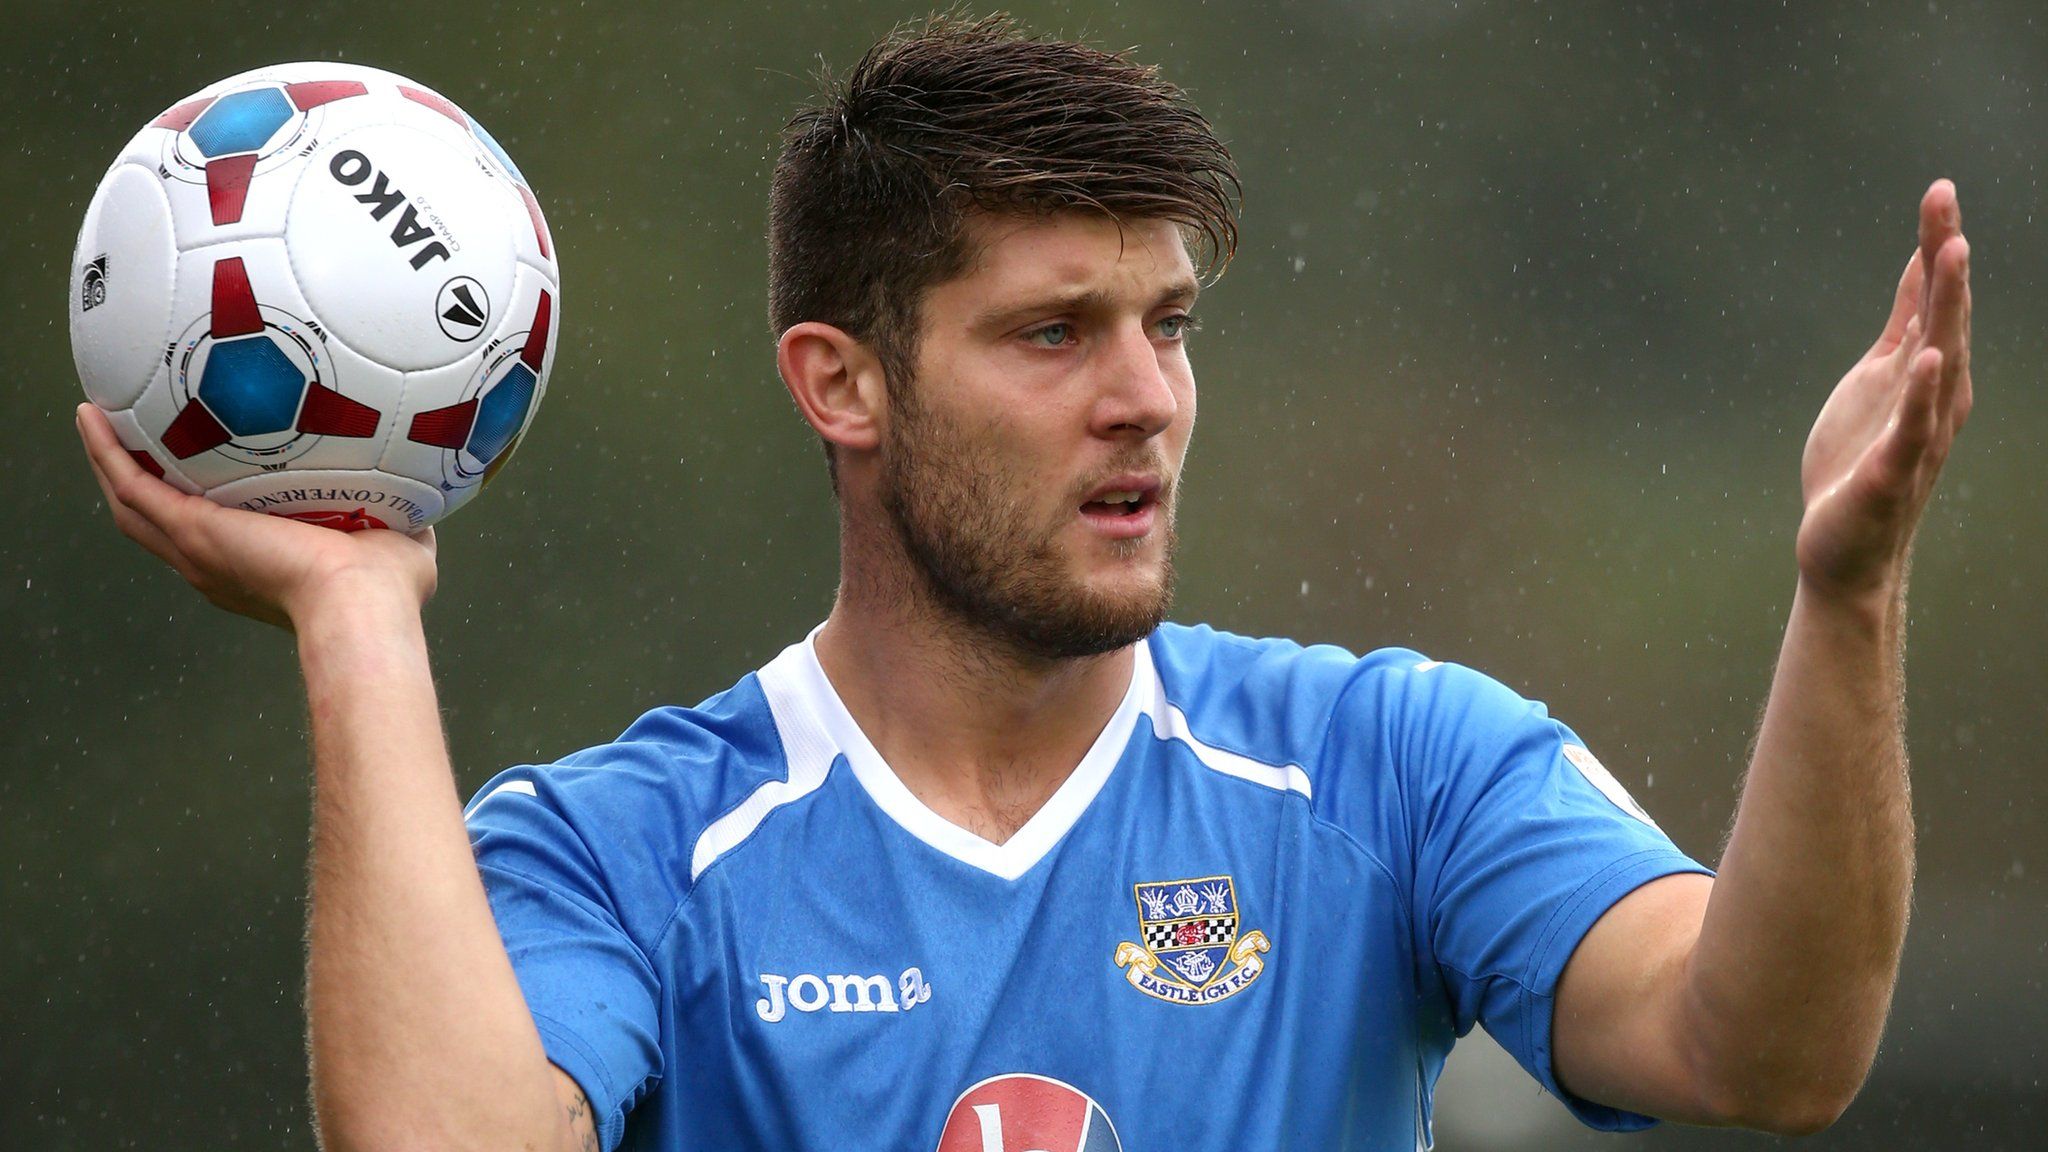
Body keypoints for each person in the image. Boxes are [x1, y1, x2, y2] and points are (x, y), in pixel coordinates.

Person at [75, 14, 1972, 1152]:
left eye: (1170, 325)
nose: (1146, 399)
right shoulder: (623, 853)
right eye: (1053, 333)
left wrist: (1847, 598)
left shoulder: (1392, 766)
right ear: (844, 384)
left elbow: (1771, 1049)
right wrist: (354, 620)